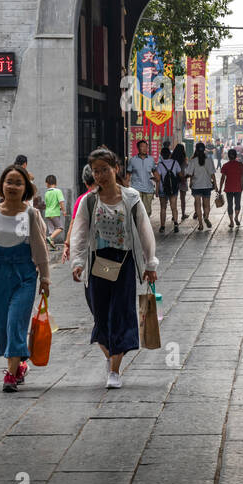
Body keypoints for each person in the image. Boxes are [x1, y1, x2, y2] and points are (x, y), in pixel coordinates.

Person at [69, 147, 159, 389]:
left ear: (116, 168)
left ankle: (114, 370)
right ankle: (111, 357)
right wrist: (77, 262)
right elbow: (79, 232)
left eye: (104, 170)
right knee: (100, 315)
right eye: (96, 171)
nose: (100, 175)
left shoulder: (131, 198)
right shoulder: (89, 201)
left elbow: (144, 231)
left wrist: (150, 263)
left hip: (124, 263)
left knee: (120, 313)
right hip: (98, 263)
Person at [0, 164, 52, 392]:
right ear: (2, 186)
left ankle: (9, 374)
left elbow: (40, 248)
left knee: (16, 321)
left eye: (18, 183)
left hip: (25, 275)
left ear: (26, 187)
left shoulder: (31, 214)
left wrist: (44, 278)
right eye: (9, 182)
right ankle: (18, 366)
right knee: (2, 325)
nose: (13, 186)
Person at [62, 163, 96, 264]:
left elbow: (73, 223)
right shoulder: (110, 197)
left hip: (88, 246)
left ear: (85, 183)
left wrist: (67, 245)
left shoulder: (82, 200)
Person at [188, 140, 219, 231]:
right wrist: (216, 185)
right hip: (207, 185)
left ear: (196, 150)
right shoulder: (209, 160)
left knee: (198, 204)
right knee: (207, 205)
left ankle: (201, 224)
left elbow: (190, 174)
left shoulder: (193, 161)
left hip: (196, 186)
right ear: (204, 150)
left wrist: (190, 182)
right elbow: (212, 174)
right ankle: (206, 217)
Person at [126, 140, 158, 217]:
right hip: (136, 189)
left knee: (147, 212)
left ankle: (144, 227)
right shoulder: (132, 160)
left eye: (145, 147)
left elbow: (155, 173)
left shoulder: (151, 160)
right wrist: (126, 188)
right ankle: (137, 227)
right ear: (138, 148)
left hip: (148, 189)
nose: (144, 148)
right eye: (142, 146)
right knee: (137, 211)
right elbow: (128, 175)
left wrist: (157, 183)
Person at [155, 143, 182, 233]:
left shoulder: (160, 165)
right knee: (174, 207)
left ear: (161, 155)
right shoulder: (175, 162)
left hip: (163, 189)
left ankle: (162, 226)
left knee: (163, 207)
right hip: (173, 188)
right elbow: (180, 174)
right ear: (170, 155)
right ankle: (175, 224)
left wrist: (157, 190)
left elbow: (158, 179)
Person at [220, 147, 243, 228]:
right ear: (236, 156)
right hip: (238, 187)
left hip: (228, 188)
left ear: (228, 156)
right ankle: (236, 217)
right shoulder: (240, 164)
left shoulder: (225, 165)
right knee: (237, 203)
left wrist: (220, 188)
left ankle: (231, 221)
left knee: (230, 204)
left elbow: (222, 178)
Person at [42, 174, 66, 248]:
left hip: (48, 213)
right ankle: (49, 238)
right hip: (54, 213)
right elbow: (61, 202)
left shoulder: (46, 193)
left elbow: (47, 204)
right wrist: (63, 210)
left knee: (51, 230)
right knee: (60, 227)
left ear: (47, 183)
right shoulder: (58, 191)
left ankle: (52, 246)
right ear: (55, 183)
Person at [172, 142, 190, 222]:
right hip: (183, 180)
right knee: (183, 199)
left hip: (174, 180)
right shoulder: (184, 159)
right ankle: (183, 214)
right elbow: (187, 170)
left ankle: (174, 214)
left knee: (174, 199)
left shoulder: (172, 159)